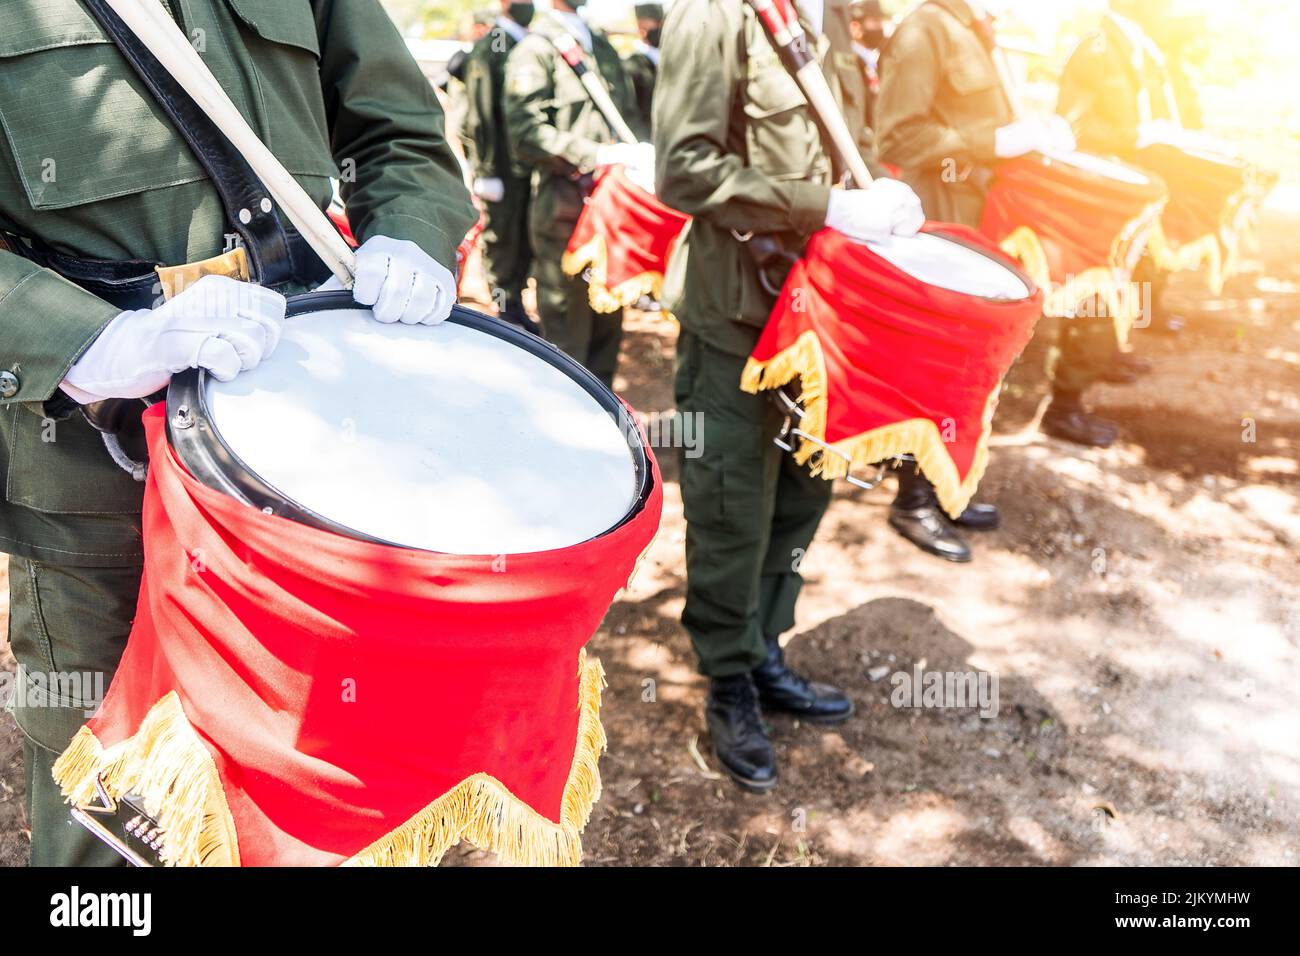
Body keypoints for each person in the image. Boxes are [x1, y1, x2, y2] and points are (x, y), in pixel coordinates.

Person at [0, 0, 475, 866]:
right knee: (120, 826)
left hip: (316, 460)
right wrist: (79, 340)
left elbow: (397, 129)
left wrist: (411, 233)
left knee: (323, 782)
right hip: (100, 487)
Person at [655, 0, 925, 792]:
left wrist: (880, 198)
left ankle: (766, 644)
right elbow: (684, 168)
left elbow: (850, 142)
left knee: (806, 489)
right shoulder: (715, 17)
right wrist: (829, 206)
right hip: (736, 310)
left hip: (822, 312)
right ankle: (728, 676)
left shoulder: (829, 17)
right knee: (735, 498)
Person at [504, 0, 650, 388]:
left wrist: (637, 155)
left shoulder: (600, 45)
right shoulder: (536, 49)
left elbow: (627, 114)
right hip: (566, 212)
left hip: (612, 213)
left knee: (607, 330)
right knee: (568, 339)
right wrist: (595, 155)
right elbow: (525, 134)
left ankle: (604, 429)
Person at [1058, 0, 1196, 338]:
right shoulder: (1096, 48)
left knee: (1133, 264)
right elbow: (1073, 129)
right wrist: (1136, 136)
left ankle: (1111, 351)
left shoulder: (1140, 49)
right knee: (1099, 275)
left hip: (1137, 180)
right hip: (1104, 186)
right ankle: (1074, 378)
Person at [464, 0, 539, 332]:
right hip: (502, 164)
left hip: (525, 165)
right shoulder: (490, 47)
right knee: (501, 237)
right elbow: (479, 115)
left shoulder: (525, 43)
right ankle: (504, 308)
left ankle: (517, 302)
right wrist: (487, 168)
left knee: (522, 236)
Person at [623, 3, 665, 134]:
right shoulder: (632, 66)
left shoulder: (668, 57)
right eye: (655, 24)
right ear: (641, 28)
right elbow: (631, 111)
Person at [848, 0, 888, 130]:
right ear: (856, 27)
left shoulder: (881, 58)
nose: (881, 27)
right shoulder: (850, 63)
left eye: (881, 21)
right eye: (875, 21)